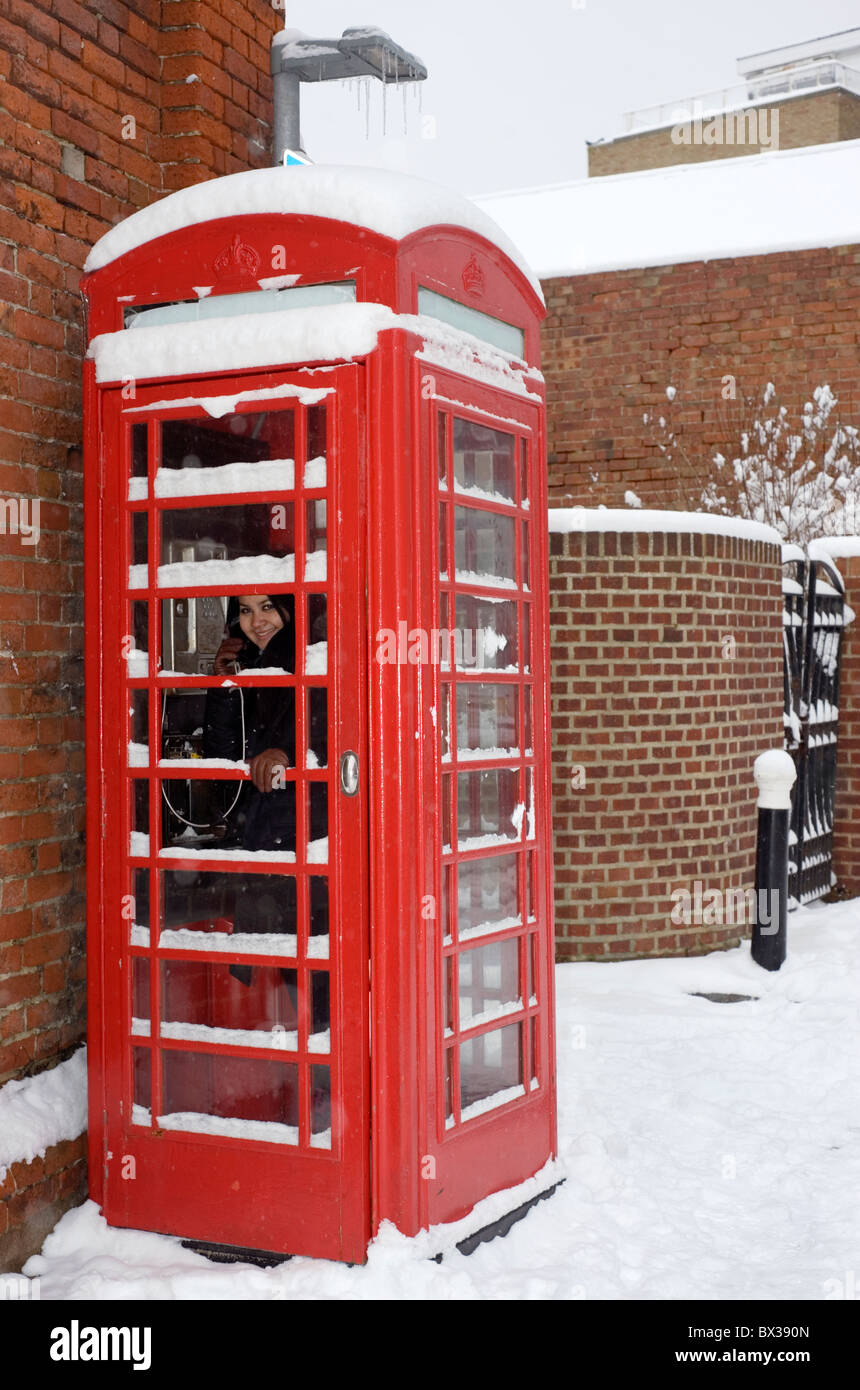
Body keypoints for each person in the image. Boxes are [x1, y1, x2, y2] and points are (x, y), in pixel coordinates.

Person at [203, 595, 329, 1035]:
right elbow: (221, 762)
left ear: (291, 610)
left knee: (319, 966)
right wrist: (222, 686)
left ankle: (328, 1082)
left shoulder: (317, 656)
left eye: (267, 608)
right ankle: (315, 1076)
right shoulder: (249, 668)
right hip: (266, 840)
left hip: (312, 835)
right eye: (244, 611)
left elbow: (339, 734)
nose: (256, 622)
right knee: (293, 969)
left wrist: (289, 755)